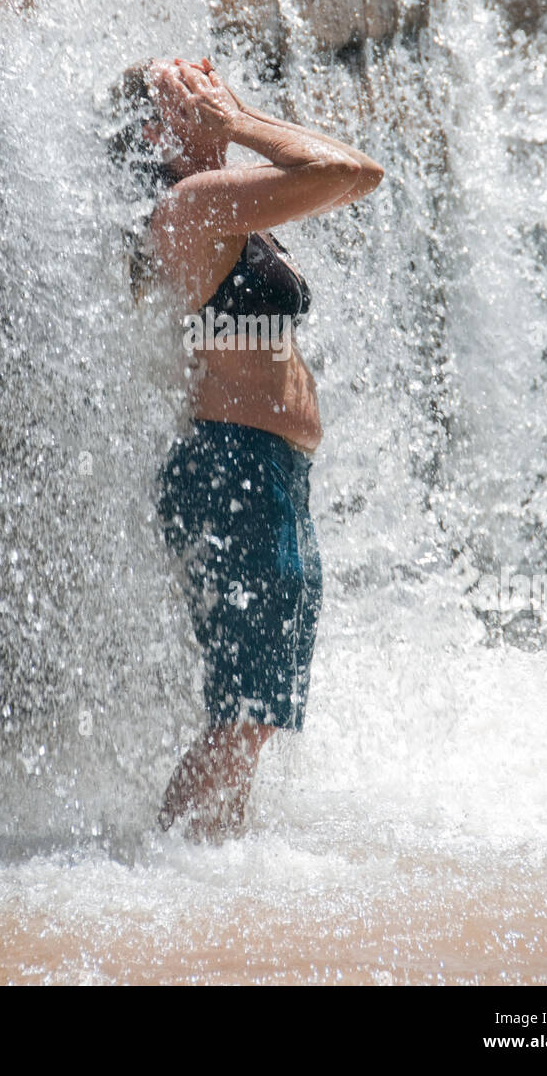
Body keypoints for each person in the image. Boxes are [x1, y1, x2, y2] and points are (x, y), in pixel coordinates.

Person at [108, 56, 384, 841]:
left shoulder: (227, 209)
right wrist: (239, 124)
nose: (214, 88)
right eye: (190, 90)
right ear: (154, 130)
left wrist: (228, 126)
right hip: (233, 470)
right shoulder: (190, 203)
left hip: (267, 474)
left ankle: (211, 869)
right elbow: (351, 170)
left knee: (254, 713)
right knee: (245, 714)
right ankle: (172, 873)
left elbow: (342, 174)